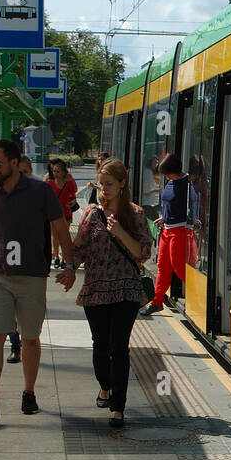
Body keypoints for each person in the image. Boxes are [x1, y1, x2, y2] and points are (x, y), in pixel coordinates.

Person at [0, 139, 75, 423]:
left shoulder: (40, 191)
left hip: (31, 275)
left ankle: (28, 392)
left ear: (15, 163)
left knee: (30, 338)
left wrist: (69, 264)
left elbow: (60, 227)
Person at [66, 158, 152, 429]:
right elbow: (79, 248)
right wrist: (69, 269)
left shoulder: (135, 214)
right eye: (101, 184)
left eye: (109, 184)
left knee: (120, 347)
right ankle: (105, 386)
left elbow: (144, 252)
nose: (103, 189)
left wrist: (120, 232)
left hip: (126, 289)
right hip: (95, 289)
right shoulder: (92, 214)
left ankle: (118, 407)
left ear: (122, 184)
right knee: (100, 346)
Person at [140, 153, 189, 316]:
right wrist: (164, 218)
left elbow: (189, 208)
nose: (165, 176)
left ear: (174, 170)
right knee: (163, 266)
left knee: (178, 267)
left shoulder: (186, 184)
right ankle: (157, 301)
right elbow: (170, 204)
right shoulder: (171, 182)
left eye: (167, 173)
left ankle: (197, 296)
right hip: (168, 228)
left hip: (180, 230)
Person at [7, 156, 34, 364]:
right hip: (6, 264)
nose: (21, 176)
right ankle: (15, 345)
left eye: (25, 172)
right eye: (19, 172)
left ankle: (27, 343)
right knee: (10, 310)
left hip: (30, 266)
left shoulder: (38, 194)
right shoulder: (2, 193)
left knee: (26, 314)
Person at [48, 159, 78, 266]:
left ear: (64, 172)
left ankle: (64, 258)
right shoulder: (50, 184)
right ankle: (56, 257)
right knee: (55, 237)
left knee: (64, 237)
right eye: (54, 171)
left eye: (58, 171)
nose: (55, 173)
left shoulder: (68, 183)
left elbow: (73, 195)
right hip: (54, 214)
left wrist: (73, 201)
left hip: (66, 213)